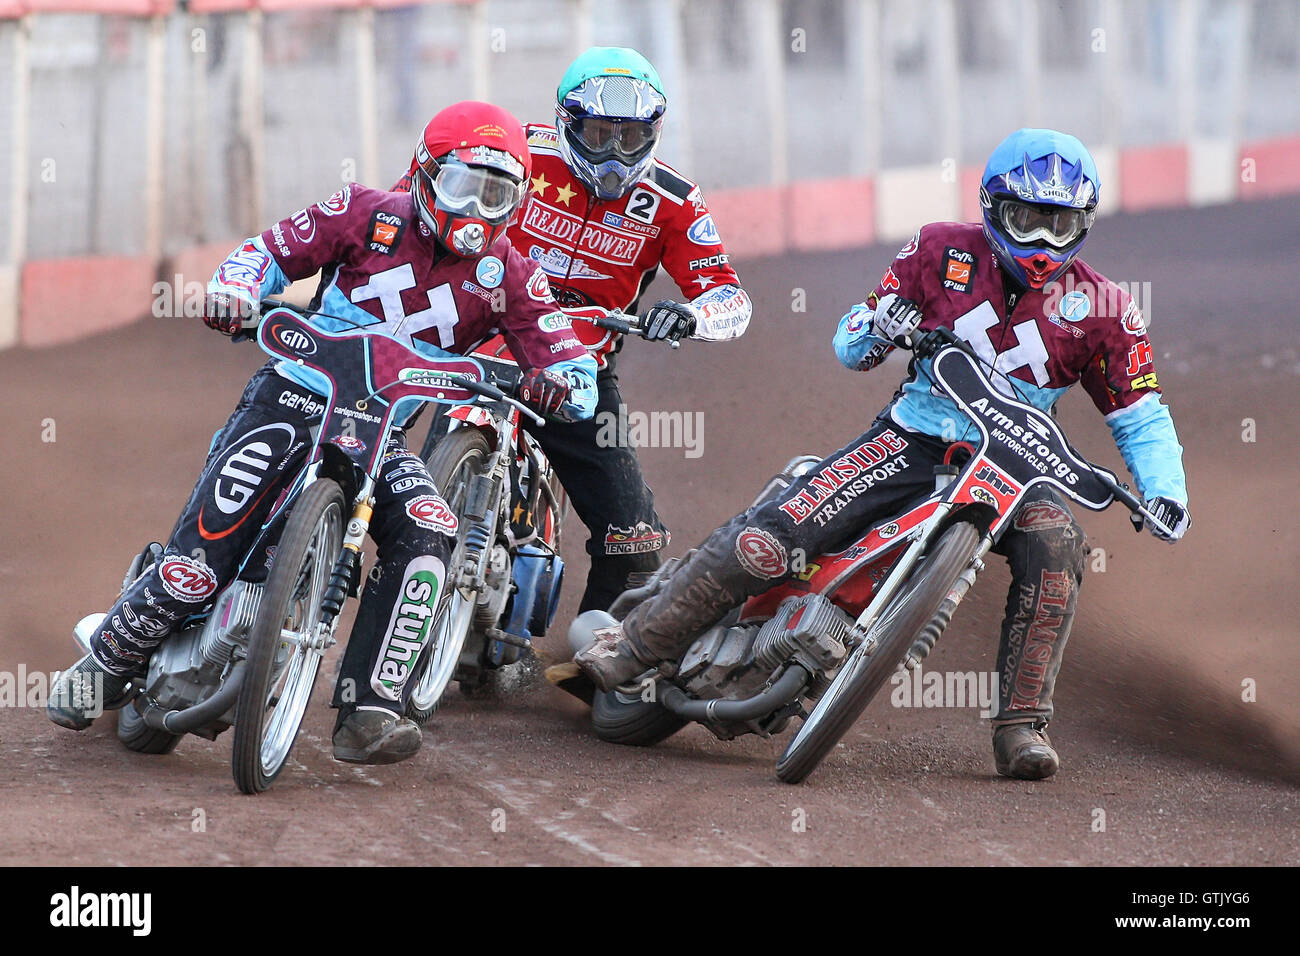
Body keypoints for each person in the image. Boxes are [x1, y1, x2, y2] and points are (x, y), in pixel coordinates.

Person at [573, 128, 1190, 780]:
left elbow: (1141, 416)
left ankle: (1022, 726)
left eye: (1057, 223)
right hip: (912, 438)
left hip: (1019, 467)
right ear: (991, 208)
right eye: (1025, 218)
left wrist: (1166, 491)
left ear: (1084, 222)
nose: (1039, 241)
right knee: (772, 538)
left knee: (1058, 544)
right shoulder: (938, 249)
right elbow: (850, 346)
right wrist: (881, 326)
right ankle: (635, 648)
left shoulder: (1107, 309)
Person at [47, 101, 598, 766]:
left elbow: (572, 361)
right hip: (292, 398)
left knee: (430, 530)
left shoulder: (513, 272)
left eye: (497, 193)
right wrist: (235, 290)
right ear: (424, 175)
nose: (478, 209)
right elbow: (265, 252)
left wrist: (562, 383)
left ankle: (370, 710)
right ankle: (107, 660)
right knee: (203, 559)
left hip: (379, 433)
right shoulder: (366, 211)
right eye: (464, 186)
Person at [394, 47, 752, 614]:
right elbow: (409, 200)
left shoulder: (674, 201)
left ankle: (598, 674)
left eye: (630, 138)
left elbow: (730, 297)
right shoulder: (513, 154)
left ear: (654, 134)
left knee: (634, 547)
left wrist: (693, 316)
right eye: (597, 132)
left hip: (579, 366)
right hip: (480, 339)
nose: (612, 154)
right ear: (565, 121)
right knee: (365, 456)